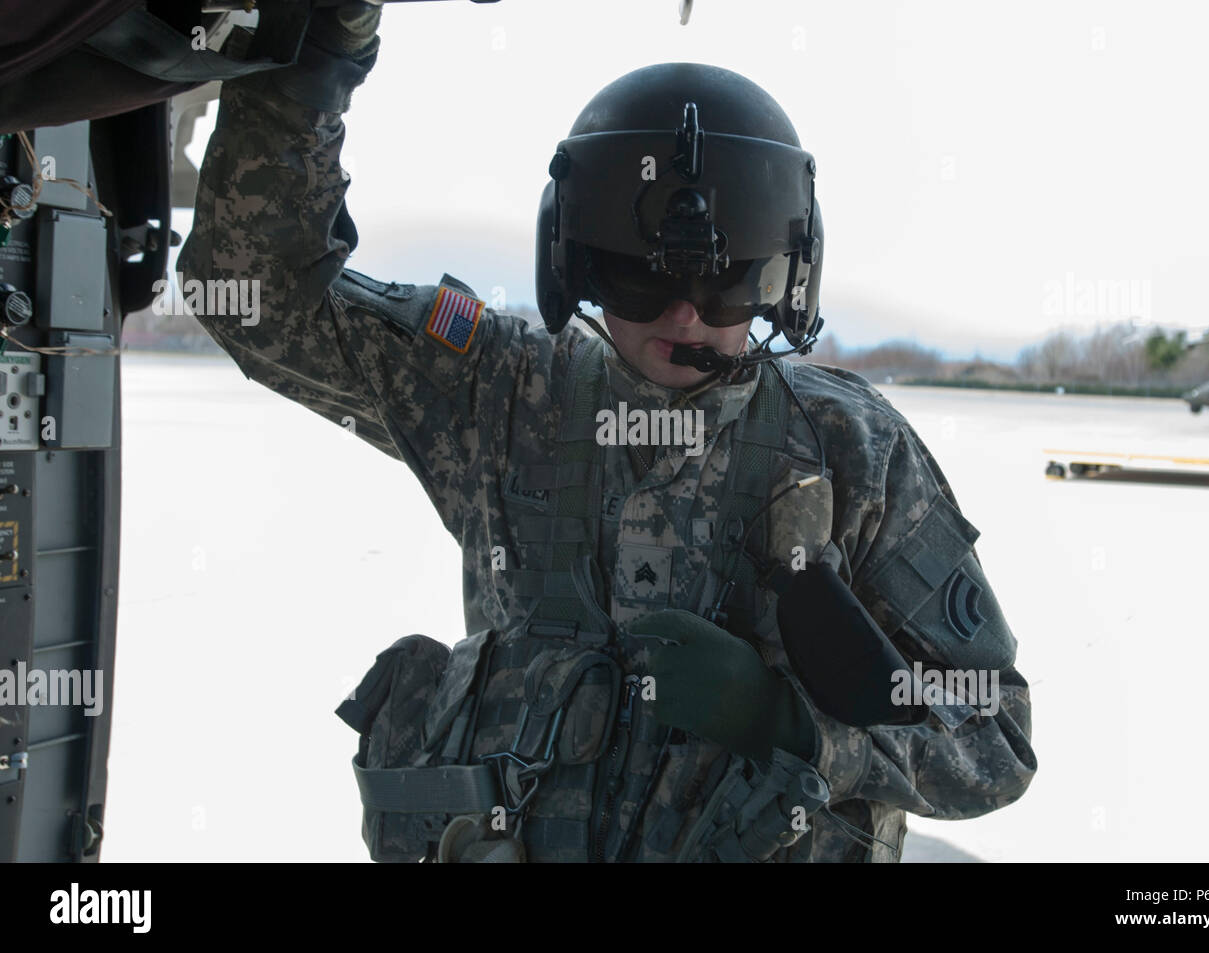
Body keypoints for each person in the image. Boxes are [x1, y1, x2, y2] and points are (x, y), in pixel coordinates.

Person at [178, 2, 1036, 863]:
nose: (686, 312)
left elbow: (994, 737)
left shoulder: (852, 448)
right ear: (575, 261)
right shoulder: (502, 390)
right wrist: (326, 43)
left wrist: (797, 729)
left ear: (786, 278)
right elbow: (252, 292)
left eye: (728, 280)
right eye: (637, 274)